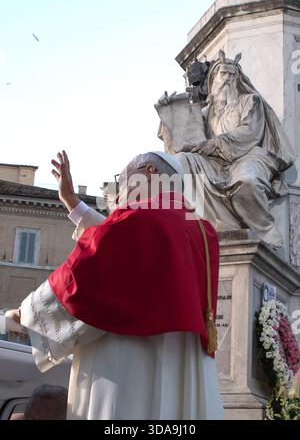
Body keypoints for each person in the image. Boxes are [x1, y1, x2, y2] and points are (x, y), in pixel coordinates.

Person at [4, 150, 224, 420]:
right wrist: (73, 203)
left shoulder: (142, 219)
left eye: (123, 180)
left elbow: (89, 271)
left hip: (131, 371)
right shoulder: (200, 230)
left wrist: (25, 315)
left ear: (149, 173)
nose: (119, 195)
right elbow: (124, 244)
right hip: (182, 368)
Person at [157, 51, 295, 249]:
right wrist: (169, 116)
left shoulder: (250, 101)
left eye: (232, 75)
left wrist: (213, 144)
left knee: (247, 182)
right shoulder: (205, 112)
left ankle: (265, 230)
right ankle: (197, 227)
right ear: (213, 80)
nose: (228, 79)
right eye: (223, 74)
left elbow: (250, 133)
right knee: (181, 161)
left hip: (247, 156)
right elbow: (184, 140)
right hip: (214, 161)